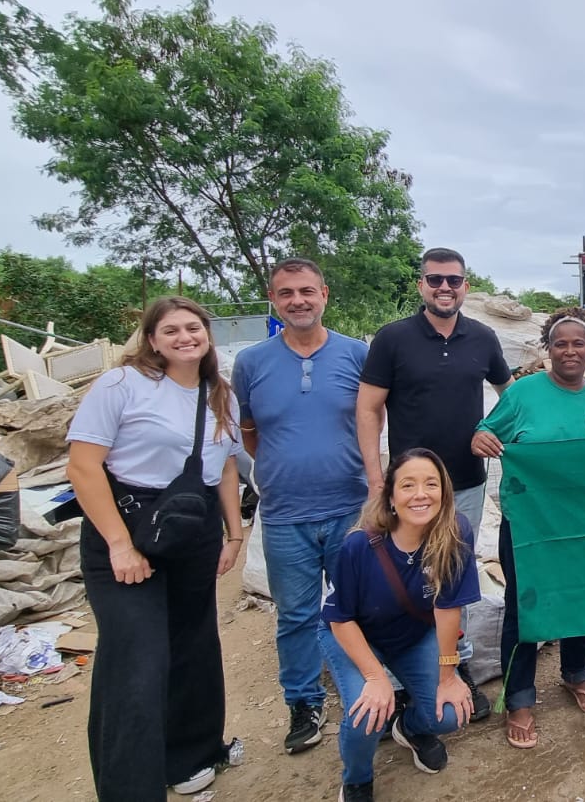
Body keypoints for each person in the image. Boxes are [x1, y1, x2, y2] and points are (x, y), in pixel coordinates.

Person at [65, 297, 244, 801]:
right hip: (128, 528)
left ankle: (191, 758)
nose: (185, 337)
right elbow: (83, 467)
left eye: (193, 327)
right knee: (136, 662)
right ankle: (130, 789)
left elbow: (226, 467)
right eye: (171, 330)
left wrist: (233, 535)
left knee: (194, 647)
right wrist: (120, 546)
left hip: (194, 528)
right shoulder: (122, 385)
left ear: (207, 334)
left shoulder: (219, 393)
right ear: (152, 339)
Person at [357, 246, 512, 721]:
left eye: (453, 280)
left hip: (464, 483)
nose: (444, 287)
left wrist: (492, 429)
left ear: (465, 285)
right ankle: (404, 675)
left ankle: (456, 667)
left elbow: (511, 397)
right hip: (409, 490)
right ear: (421, 285)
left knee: (454, 579)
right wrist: (376, 479)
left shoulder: (483, 337)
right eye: (435, 279)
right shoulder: (393, 339)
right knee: (403, 577)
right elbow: (368, 409)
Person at [232, 258, 371, 754]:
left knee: (358, 606)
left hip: (350, 506)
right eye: (287, 293)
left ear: (325, 295)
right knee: (295, 614)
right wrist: (286, 466)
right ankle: (304, 702)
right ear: (273, 300)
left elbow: (372, 421)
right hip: (285, 512)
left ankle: (370, 692)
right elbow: (249, 432)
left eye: (307, 291)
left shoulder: (358, 354)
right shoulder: (251, 363)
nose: (298, 301)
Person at [471, 307, 585, 749]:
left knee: (580, 597)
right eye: (560, 343)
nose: (569, 350)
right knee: (524, 603)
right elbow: (485, 432)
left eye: (578, 343)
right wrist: (481, 439)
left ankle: (576, 672)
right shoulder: (525, 393)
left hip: (583, 522)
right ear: (547, 350)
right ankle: (520, 695)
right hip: (528, 520)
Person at [321, 449, 478, 802]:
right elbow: (340, 618)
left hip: (411, 634)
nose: (421, 494)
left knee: (450, 713)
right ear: (391, 497)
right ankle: (357, 778)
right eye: (408, 485)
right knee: (367, 712)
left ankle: (409, 727)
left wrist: (448, 675)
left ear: (444, 492)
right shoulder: (359, 544)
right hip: (353, 634)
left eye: (431, 484)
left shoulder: (455, 532)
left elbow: (447, 608)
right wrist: (376, 678)